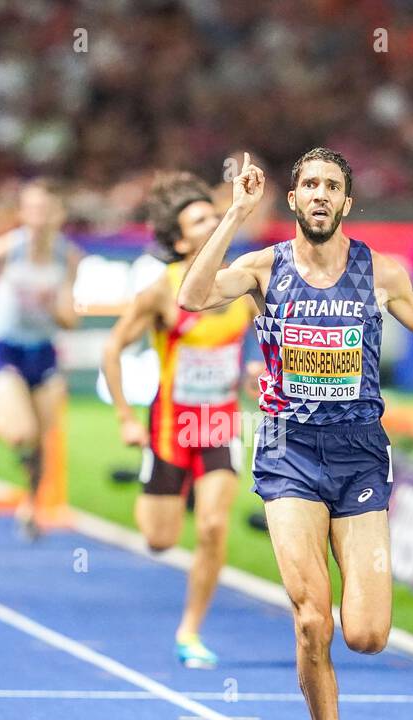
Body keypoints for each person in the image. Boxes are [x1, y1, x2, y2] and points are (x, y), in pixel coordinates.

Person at [178, 149, 413, 720]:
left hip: (360, 455)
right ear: (295, 200)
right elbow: (190, 296)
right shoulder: (264, 268)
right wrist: (237, 213)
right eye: (309, 185)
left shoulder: (380, 271)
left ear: (347, 203)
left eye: (332, 186)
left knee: (366, 633)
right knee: (312, 621)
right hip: (287, 452)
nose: (320, 195)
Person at [101, 172, 256, 668]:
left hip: (218, 426)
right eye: (199, 220)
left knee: (212, 527)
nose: (212, 223)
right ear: (178, 239)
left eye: (214, 215)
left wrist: (259, 371)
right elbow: (112, 349)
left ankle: (190, 630)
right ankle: (165, 485)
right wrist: (126, 417)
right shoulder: (160, 292)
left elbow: (270, 345)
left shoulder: (244, 284)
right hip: (169, 427)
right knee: (160, 539)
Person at [0, 179, 81, 537]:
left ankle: (31, 504)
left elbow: (71, 317)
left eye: (45, 210)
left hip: (43, 352)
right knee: (19, 431)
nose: (38, 218)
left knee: (41, 439)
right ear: (22, 213)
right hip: (6, 348)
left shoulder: (67, 256)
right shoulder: (7, 248)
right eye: (32, 210)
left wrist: (55, 308)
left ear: (58, 214)